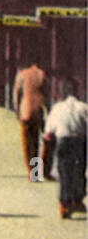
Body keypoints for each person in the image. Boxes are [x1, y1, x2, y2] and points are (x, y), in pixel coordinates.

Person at [42, 77, 87, 218]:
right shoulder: (84, 107)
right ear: (77, 91)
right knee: (78, 172)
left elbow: (48, 132)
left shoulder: (57, 108)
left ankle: (64, 204)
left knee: (64, 173)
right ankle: (77, 200)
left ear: (62, 92)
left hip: (63, 142)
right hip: (79, 142)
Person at [13, 61, 48, 181]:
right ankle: (36, 172)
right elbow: (46, 95)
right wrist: (47, 110)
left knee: (28, 144)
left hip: (26, 111)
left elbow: (16, 95)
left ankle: (32, 173)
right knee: (37, 142)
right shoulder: (41, 74)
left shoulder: (22, 74)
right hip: (37, 110)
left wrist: (17, 110)